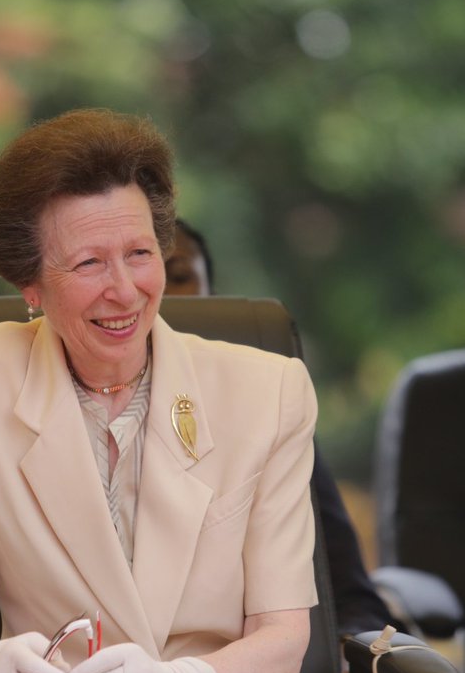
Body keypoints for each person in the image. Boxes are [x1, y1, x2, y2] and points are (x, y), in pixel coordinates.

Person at [0, 109, 319, 673]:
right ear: (29, 282)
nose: (124, 289)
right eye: (88, 264)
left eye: (139, 253)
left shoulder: (269, 391)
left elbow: (283, 638)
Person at [165, 218, 399, 637]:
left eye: (177, 275)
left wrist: (356, 661)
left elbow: (349, 595)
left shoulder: (269, 419)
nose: (153, 291)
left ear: (214, 300)